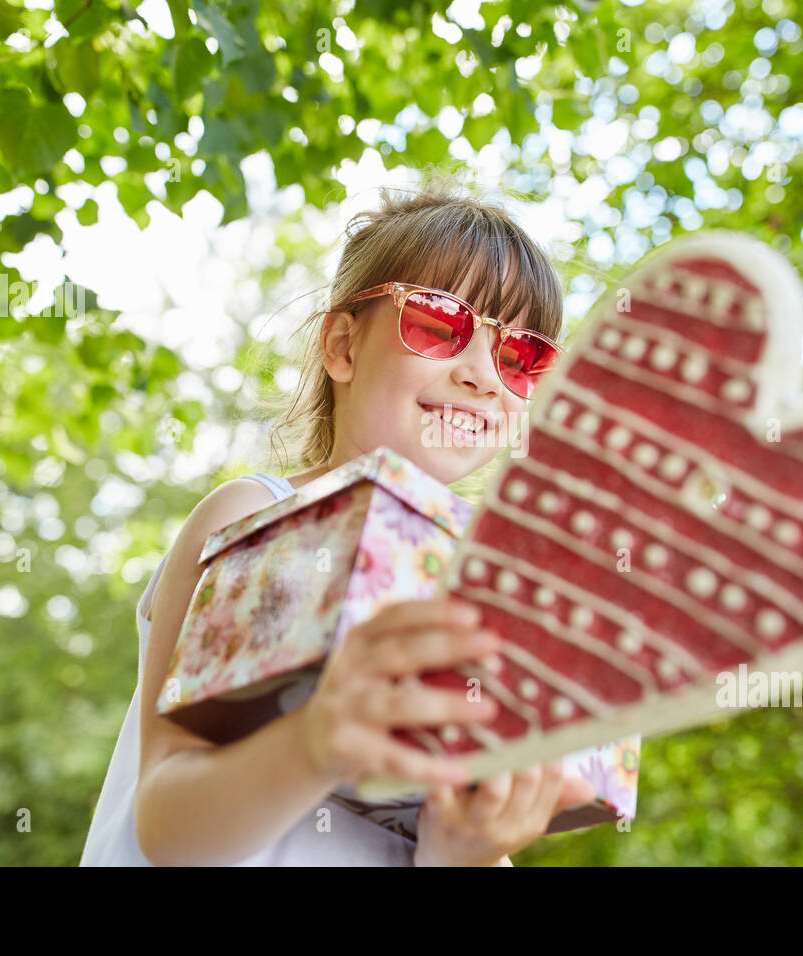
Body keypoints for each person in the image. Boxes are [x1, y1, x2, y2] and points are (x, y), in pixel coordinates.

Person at [80, 176, 597, 866]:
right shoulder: (257, 517)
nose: (483, 374)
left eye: (520, 357)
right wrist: (318, 741)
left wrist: (466, 850)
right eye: (439, 324)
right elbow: (169, 826)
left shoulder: (489, 592)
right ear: (343, 347)